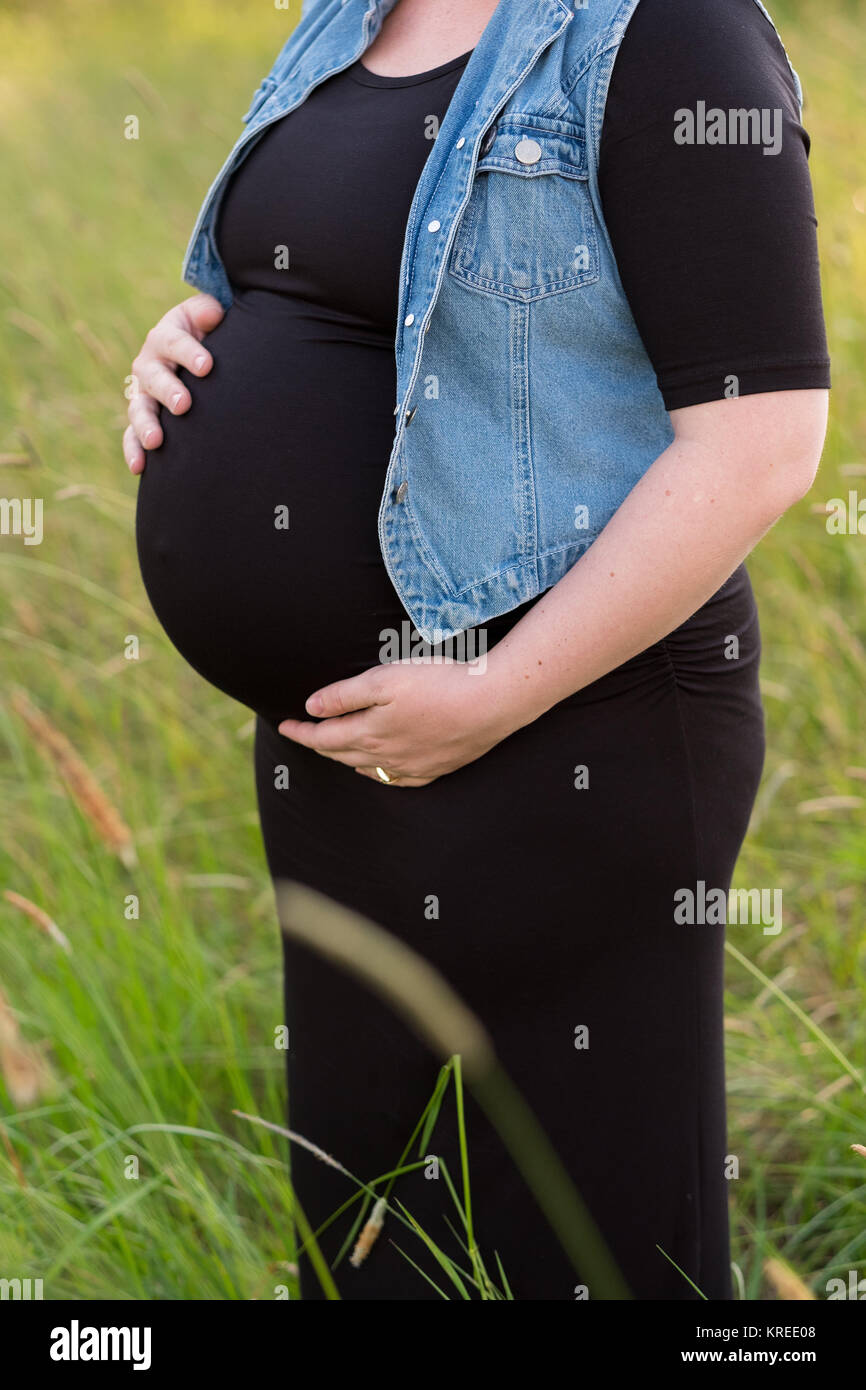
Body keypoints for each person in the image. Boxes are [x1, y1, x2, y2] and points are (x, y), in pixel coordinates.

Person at [126, 0, 830, 1299]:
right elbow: (329, 281)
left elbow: (761, 441)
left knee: (581, 1236)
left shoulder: (672, 34)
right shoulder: (350, 11)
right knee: (371, 1220)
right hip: (343, 753)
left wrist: (498, 692)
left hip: (571, 732)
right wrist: (189, 341)